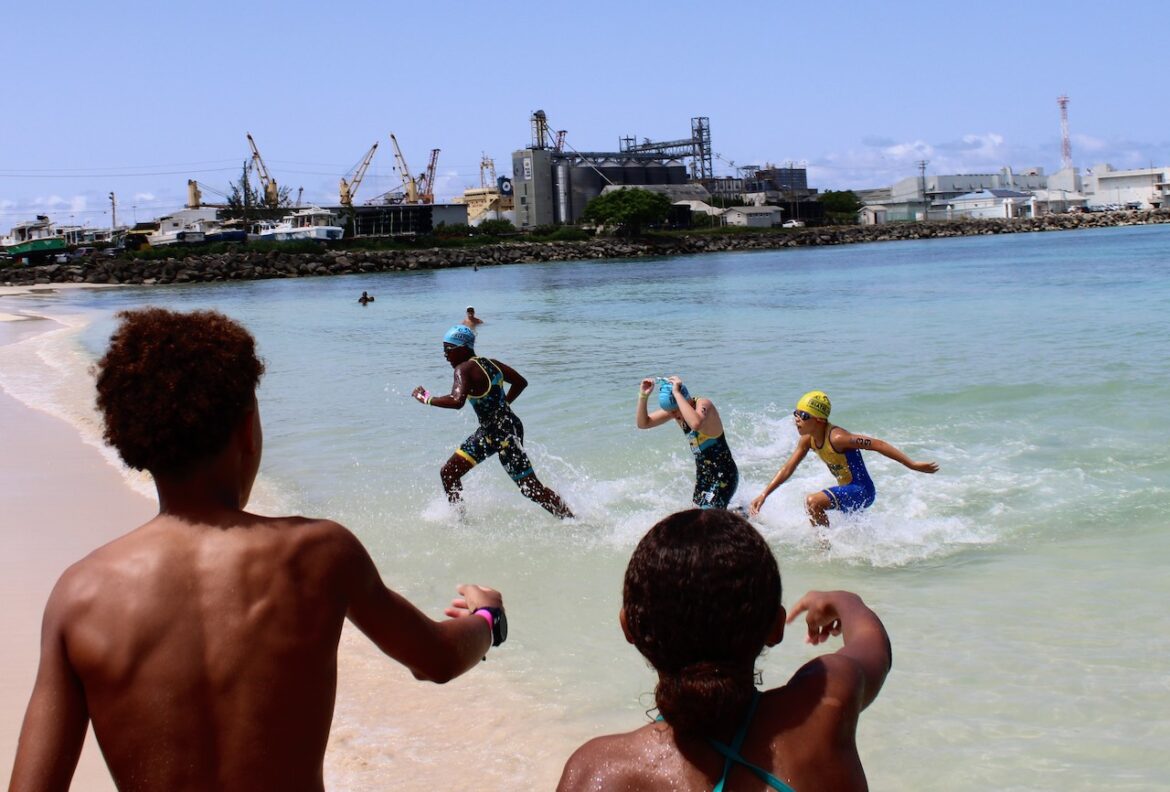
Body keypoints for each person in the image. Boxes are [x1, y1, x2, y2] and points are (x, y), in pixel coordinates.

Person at [8, 308, 506, 791]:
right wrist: (486, 620)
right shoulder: (319, 552)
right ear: (247, 429)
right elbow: (436, 659)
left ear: (135, 439)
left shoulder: (79, 595)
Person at [557, 508, 892, 791]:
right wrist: (841, 600)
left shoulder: (598, 773)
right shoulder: (826, 705)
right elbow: (871, 641)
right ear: (776, 626)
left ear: (629, 627)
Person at [411, 325, 572, 518]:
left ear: (462, 348)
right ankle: (571, 518)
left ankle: (461, 522)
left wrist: (426, 399)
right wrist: (503, 405)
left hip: (496, 433)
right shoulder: (491, 363)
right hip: (507, 427)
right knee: (452, 473)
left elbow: (456, 401)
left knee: (528, 487)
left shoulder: (463, 369)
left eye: (447, 350)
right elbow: (521, 382)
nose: (445, 356)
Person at [749, 390, 939, 526]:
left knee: (812, 502)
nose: (797, 419)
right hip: (847, 491)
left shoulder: (839, 439)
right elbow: (788, 468)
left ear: (819, 420)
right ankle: (829, 548)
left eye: (804, 415)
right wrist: (764, 494)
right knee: (834, 522)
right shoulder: (808, 440)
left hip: (862, 491)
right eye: (796, 413)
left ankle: (825, 549)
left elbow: (877, 444)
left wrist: (912, 464)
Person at [635, 375, 738, 509]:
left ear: (685, 401)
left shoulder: (704, 404)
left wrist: (676, 393)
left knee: (709, 522)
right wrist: (643, 396)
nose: (674, 415)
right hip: (703, 478)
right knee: (697, 520)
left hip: (724, 476)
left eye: (675, 411)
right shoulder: (675, 412)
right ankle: (740, 514)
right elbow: (643, 423)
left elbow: (696, 424)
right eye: (670, 412)